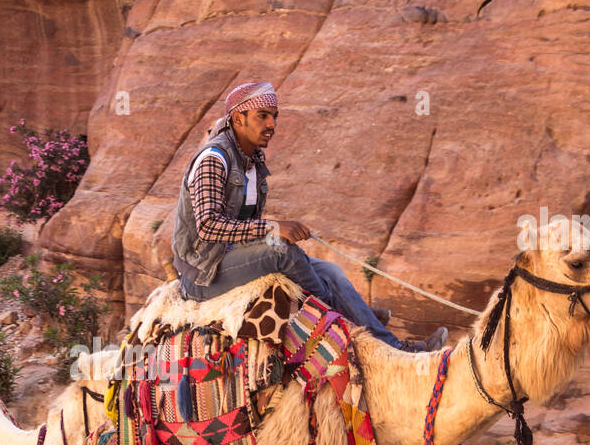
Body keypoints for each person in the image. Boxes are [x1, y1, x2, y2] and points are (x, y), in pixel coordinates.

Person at [171, 81, 447, 352]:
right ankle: (343, 311)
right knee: (282, 252)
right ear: (237, 118)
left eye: (275, 117)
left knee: (331, 271)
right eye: (262, 116)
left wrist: (269, 231)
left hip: (230, 256)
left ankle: (394, 346)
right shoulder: (214, 158)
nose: (272, 125)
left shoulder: (252, 160)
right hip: (204, 273)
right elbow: (207, 226)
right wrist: (272, 228)